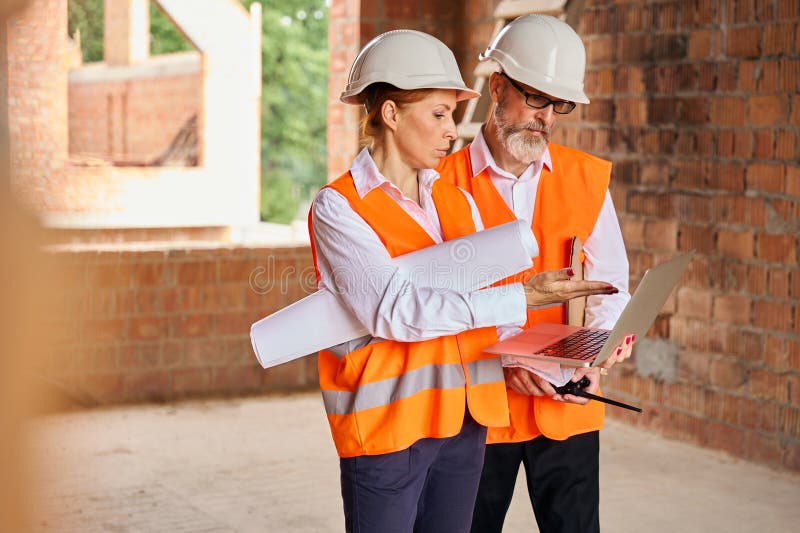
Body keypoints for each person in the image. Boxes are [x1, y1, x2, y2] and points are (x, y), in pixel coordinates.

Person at [309, 29, 619, 533]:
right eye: (438, 114)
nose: (452, 131)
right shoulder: (341, 206)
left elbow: (479, 309)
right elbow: (396, 311)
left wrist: (531, 359)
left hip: (463, 425)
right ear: (390, 114)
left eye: (452, 115)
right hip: (388, 430)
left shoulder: (456, 202)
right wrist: (522, 297)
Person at [436, 14, 634, 533]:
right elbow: (429, 302)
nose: (546, 117)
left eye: (558, 105)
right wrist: (501, 361)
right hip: (477, 409)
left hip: (568, 400)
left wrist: (597, 350)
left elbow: (613, 281)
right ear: (497, 88)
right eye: (535, 99)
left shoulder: (586, 179)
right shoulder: (439, 185)